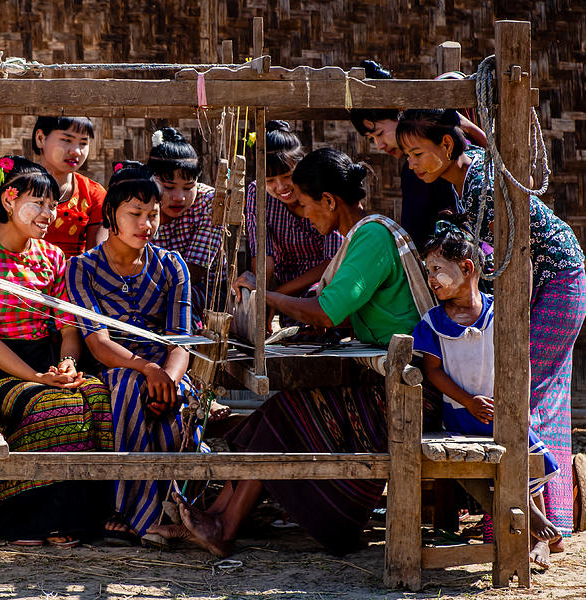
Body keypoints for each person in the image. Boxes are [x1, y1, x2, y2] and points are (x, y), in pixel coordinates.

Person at [149, 148, 434, 556]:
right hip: (384, 381)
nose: (301, 213)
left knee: (285, 415)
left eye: (303, 203)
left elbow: (327, 313)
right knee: (276, 413)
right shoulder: (365, 236)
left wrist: (265, 296)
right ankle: (212, 516)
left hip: (410, 392)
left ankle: (224, 525)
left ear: (330, 201)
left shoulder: (371, 237)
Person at [396, 108, 586, 543]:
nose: (410, 163)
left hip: (555, 284)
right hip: (557, 280)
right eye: (406, 154)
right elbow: (484, 145)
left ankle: (514, 529)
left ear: (447, 146)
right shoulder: (473, 170)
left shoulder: (480, 182)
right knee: (536, 400)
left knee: (517, 400)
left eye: (416, 152)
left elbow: (514, 257)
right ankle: (537, 523)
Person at [0, 155, 113, 547]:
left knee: (94, 393)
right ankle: (27, 520)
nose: (50, 213)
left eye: (53, 204)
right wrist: (39, 378)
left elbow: (66, 327)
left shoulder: (53, 257)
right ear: (9, 200)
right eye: (39, 203)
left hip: (47, 361)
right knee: (51, 403)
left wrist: (68, 364)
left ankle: (85, 515)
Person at [411, 219, 561, 568]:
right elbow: (432, 372)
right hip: (462, 415)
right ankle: (534, 523)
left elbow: (517, 361)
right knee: (507, 457)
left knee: (527, 456)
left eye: (437, 269)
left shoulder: (501, 313)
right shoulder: (432, 322)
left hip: (502, 413)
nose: (431, 278)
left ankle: (535, 534)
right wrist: (468, 401)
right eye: (428, 270)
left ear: (467, 268)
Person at [66, 162, 196, 546]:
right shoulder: (82, 268)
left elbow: (181, 339)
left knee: (181, 406)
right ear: (111, 216)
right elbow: (96, 342)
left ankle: (179, 508)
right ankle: (140, 516)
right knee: (126, 388)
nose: (146, 224)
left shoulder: (172, 265)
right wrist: (147, 370)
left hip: (168, 367)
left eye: (152, 215)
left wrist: (168, 381)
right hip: (114, 364)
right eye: (135, 214)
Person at [349, 60, 486, 251]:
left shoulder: (421, 168)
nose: (379, 145)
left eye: (379, 133)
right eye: (371, 139)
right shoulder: (458, 150)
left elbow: (415, 237)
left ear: (401, 113)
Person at [236, 120, 342, 318]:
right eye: (269, 181)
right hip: (282, 289)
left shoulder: (321, 191)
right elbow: (263, 256)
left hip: (324, 285)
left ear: (300, 167)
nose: (281, 187)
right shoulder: (256, 194)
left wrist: (274, 297)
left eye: (287, 176)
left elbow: (332, 262)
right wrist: (260, 300)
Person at [147, 127, 225, 321]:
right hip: (147, 288)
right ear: (152, 180)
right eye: (169, 187)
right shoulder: (142, 201)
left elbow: (194, 272)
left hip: (203, 295)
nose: (179, 197)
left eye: (188, 187)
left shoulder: (209, 202)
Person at [32, 116, 107, 257]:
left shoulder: (94, 195)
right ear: (41, 138)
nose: (76, 151)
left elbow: (96, 260)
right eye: (67, 140)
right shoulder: (13, 190)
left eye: (83, 143)